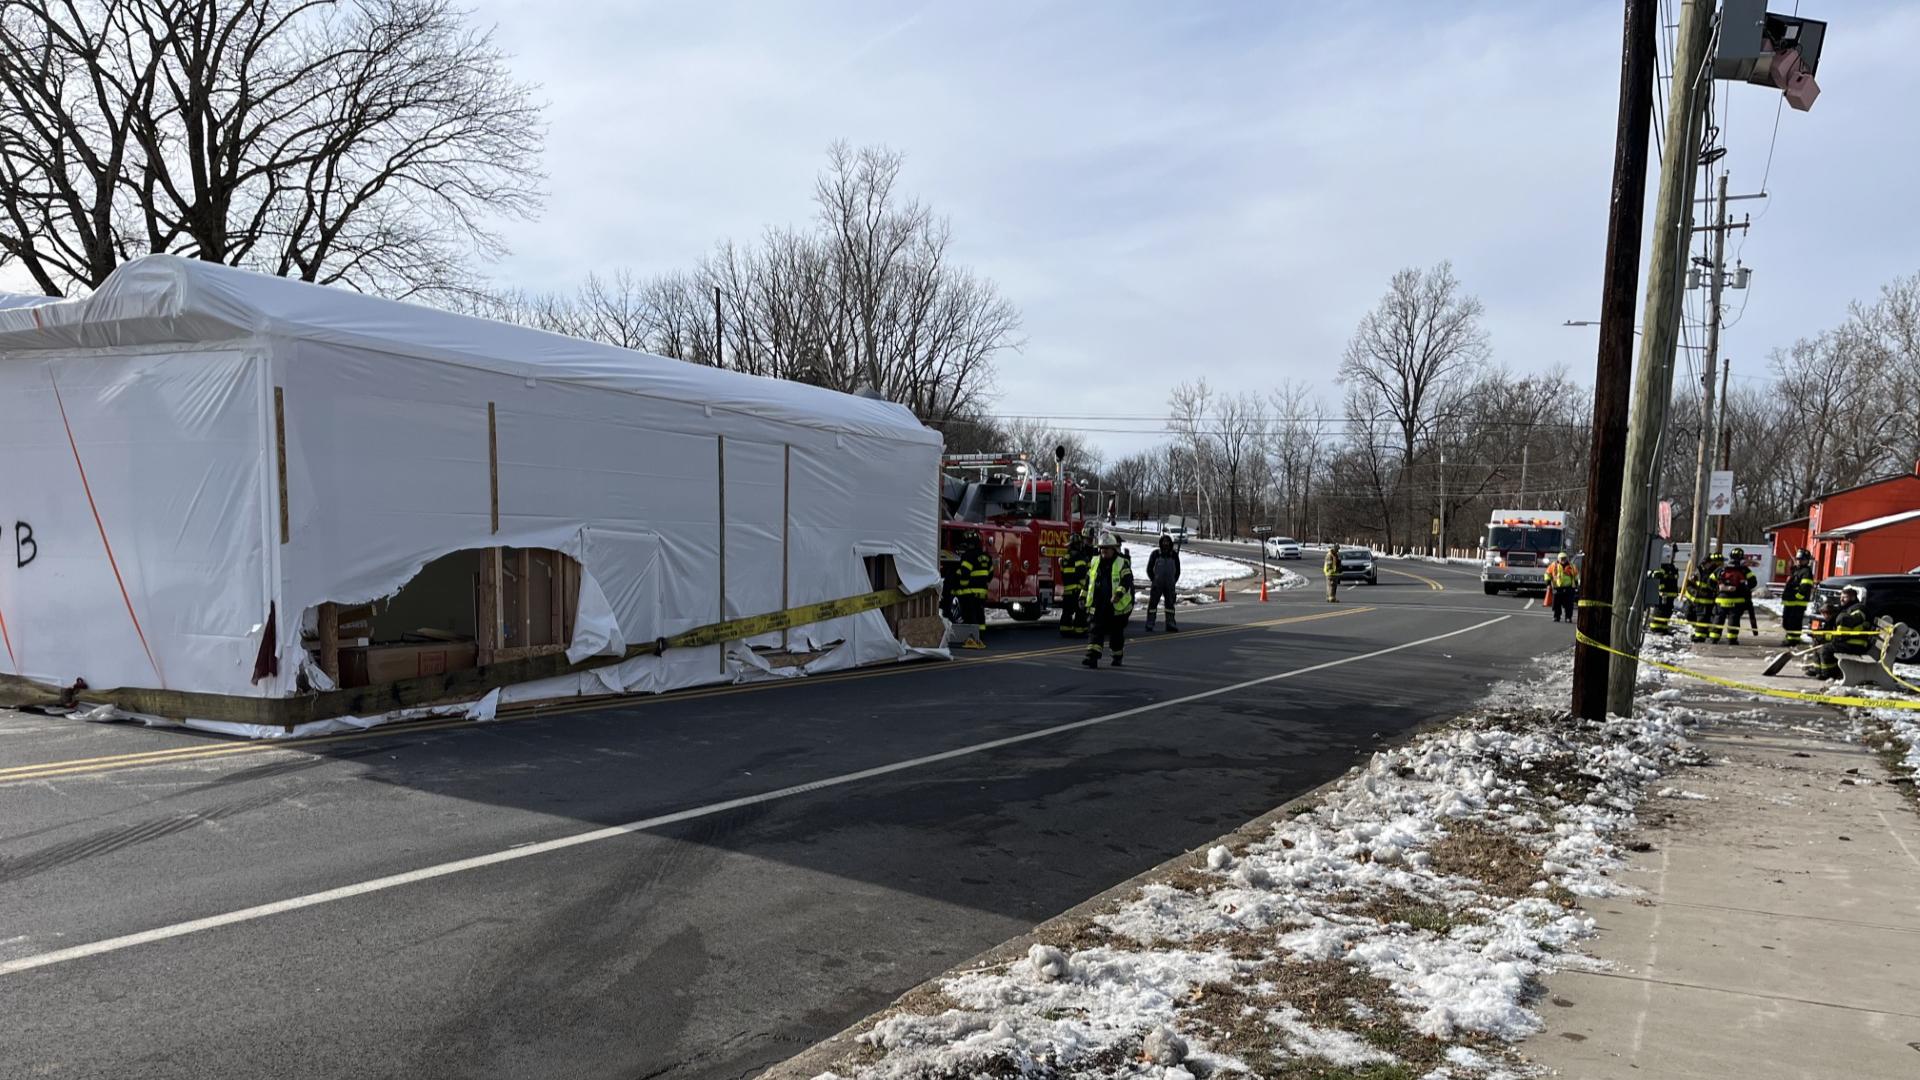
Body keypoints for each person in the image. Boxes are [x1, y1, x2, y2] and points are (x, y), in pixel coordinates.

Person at [1082, 532, 1135, 668]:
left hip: (1116, 605)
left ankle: (1117, 656)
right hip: (1098, 603)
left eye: (1106, 549)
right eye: (1101, 549)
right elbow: (1088, 581)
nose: (1103, 552)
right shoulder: (1094, 562)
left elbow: (1127, 580)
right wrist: (1083, 596)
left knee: (1116, 634)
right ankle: (1092, 657)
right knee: (1095, 630)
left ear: (1113, 549)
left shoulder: (1122, 562)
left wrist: (1118, 594)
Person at [1806, 586, 1874, 680]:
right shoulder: (1846, 609)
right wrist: (1820, 636)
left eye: (1844, 597)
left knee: (1826, 649)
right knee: (1817, 642)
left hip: (1855, 643)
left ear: (1853, 598)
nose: (1841, 599)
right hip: (1847, 640)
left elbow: (1845, 631)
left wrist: (1828, 638)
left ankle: (1829, 673)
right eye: (1841, 597)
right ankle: (1818, 670)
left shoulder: (1858, 609)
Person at [953, 531, 992, 649]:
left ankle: (971, 638)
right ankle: (980, 636)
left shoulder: (968, 556)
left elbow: (964, 573)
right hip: (982, 592)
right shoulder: (987, 557)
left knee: (969, 615)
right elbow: (990, 575)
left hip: (969, 592)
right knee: (980, 615)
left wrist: (960, 588)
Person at [1713, 548, 1757, 644]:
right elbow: (1753, 583)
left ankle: (1714, 638)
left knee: (1718, 618)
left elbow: (1710, 581)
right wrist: (1744, 588)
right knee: (1734, 620)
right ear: (1741, 558)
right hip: (1737, 601)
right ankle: (1732, 639)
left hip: (1721, 600)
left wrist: (1718, 589)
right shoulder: (1744, 570)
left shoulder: (1722, 569)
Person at [1143, 533, 1181, 632]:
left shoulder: (1174, 555)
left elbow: (1178, 571)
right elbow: (1149, 569)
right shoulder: (1155, 554)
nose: (1165, 544)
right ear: (1160, 543)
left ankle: (1170, 623)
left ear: (1170, 543)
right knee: (1153, 605)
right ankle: (1150, 623)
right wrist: (1154, 580)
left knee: (1170, 605)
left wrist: (1173, 581)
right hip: (1157, 584)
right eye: (1164, 542)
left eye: (1167, 542)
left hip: (1170, 585)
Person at [1057, 531, 1091, 638]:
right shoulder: (1079, 556)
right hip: (1077, 590)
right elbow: (1082, 574)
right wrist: (1086, 588)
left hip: (1067, 590)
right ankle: (1080, 631)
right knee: (1080, 612)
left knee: (1067, 611)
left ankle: (1065, 629)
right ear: (1077, 544)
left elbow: (1063, 573)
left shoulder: (1066, 557)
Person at [1780, 548, 1817, 646]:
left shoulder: (1806, 572)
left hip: (1797, 603)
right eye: (1798, 559)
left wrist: (1797, 596)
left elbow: (1805, 587)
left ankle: (1793, 640)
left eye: (1802, 559)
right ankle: (1789, 638)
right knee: (1786, 622)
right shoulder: (1796, 571)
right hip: (1790, 602)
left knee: (1794, 623)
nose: (1799, 561)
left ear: (1807, 561)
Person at [1685, 553, 1721, 643]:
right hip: (1692, 601)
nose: (1706, 564)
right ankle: (1703, 630)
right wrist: (1693, 592)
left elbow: (1716, 588)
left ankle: (1700, 637)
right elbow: (1689, 584)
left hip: (1706, 602)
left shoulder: (1716, 573)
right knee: (1689, 615)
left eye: (1709, 563)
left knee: (1702, 619)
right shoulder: (1698, 571)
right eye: (1705, 563)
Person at [1647, 552, 1681, 635]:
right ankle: (1656, 629)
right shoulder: (1661, 567)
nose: (1673, 558)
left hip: (1670, 594)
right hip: (1663, 595)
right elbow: (1657, 578)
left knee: (1667, 612)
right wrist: (1661, 589)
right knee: (1660, 611)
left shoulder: (1672, 567)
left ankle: (1663, 628)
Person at [1545, 552, 1579, 623]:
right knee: (1556, 604)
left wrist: (1576, 584)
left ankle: (1568, 617)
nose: (1563, 560)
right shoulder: (1554, 565)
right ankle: (1556, 617)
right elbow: (1547, 573)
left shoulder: (1572, 566)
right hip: (1557, 588)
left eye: (1565, 558)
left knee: (1569, 605)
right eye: (1562, 558)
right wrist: (1548, 582)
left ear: (1567, 558)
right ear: (1558, 559)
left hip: (1569, 588)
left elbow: (1576, 576)